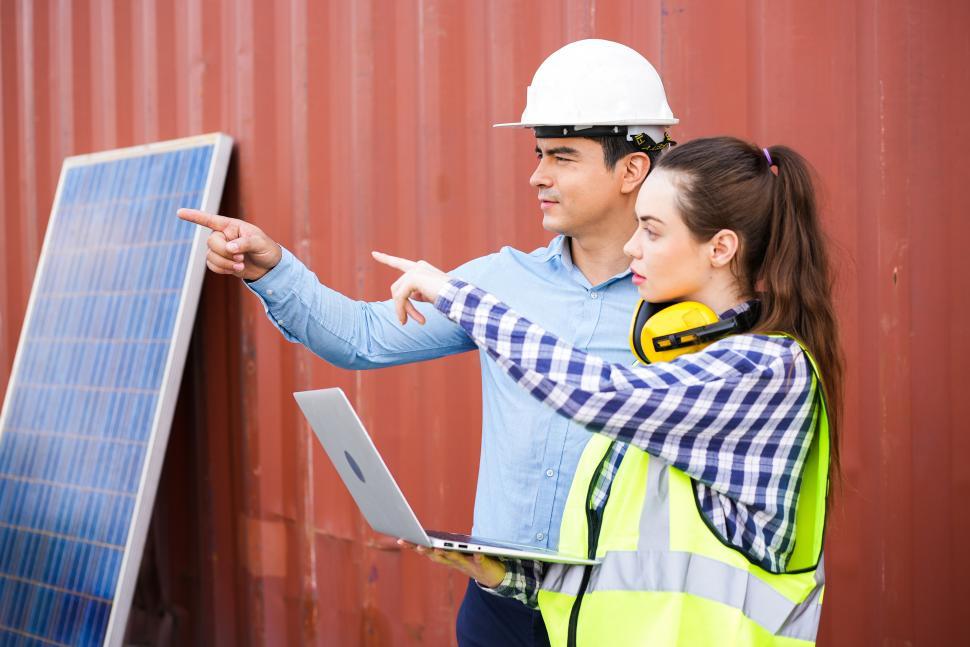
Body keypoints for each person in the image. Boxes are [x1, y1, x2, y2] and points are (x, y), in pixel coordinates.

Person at [178, 39, 678, 646]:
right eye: (538, 153)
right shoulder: (499, 280)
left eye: (563, 157)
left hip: (624, 614)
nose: (536, 175)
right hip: (498, 608)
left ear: (632, 170)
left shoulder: (692, 303)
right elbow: (363, 338)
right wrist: (271, 267)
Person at [374, 136, 843, 646]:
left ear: (721, 248)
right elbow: (635, 581)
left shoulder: (764, 372)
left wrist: (455, 297)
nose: (631, 246)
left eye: (652, 230)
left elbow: (594, 393)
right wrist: (504, 577)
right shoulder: (680, 373)